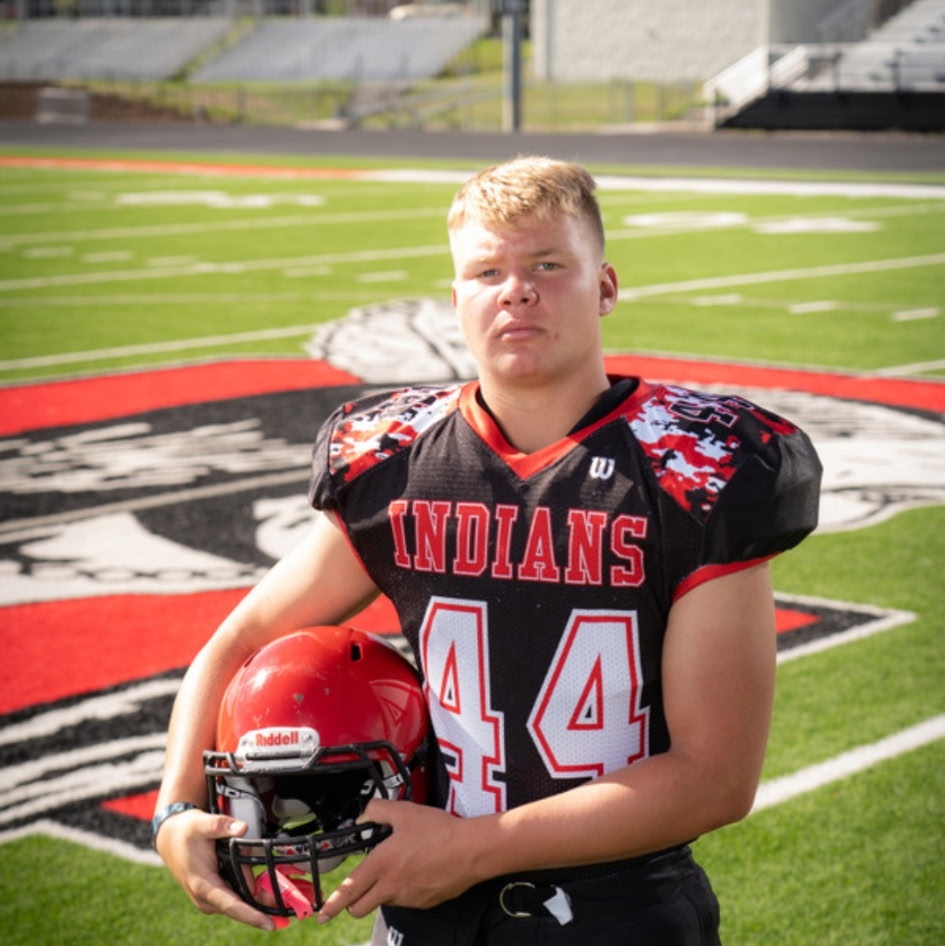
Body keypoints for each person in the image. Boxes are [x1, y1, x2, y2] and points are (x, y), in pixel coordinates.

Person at [153, 156, 822, 945]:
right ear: (456, 300)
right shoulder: (398, 459)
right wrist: (174, 808)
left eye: (547, 265)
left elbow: (715, 778)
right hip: (427, 908)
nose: (516, 290)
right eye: (486, 271)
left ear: (604, 286)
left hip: (613, 909)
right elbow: (242, 641)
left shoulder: (689, 466)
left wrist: (474, 848)